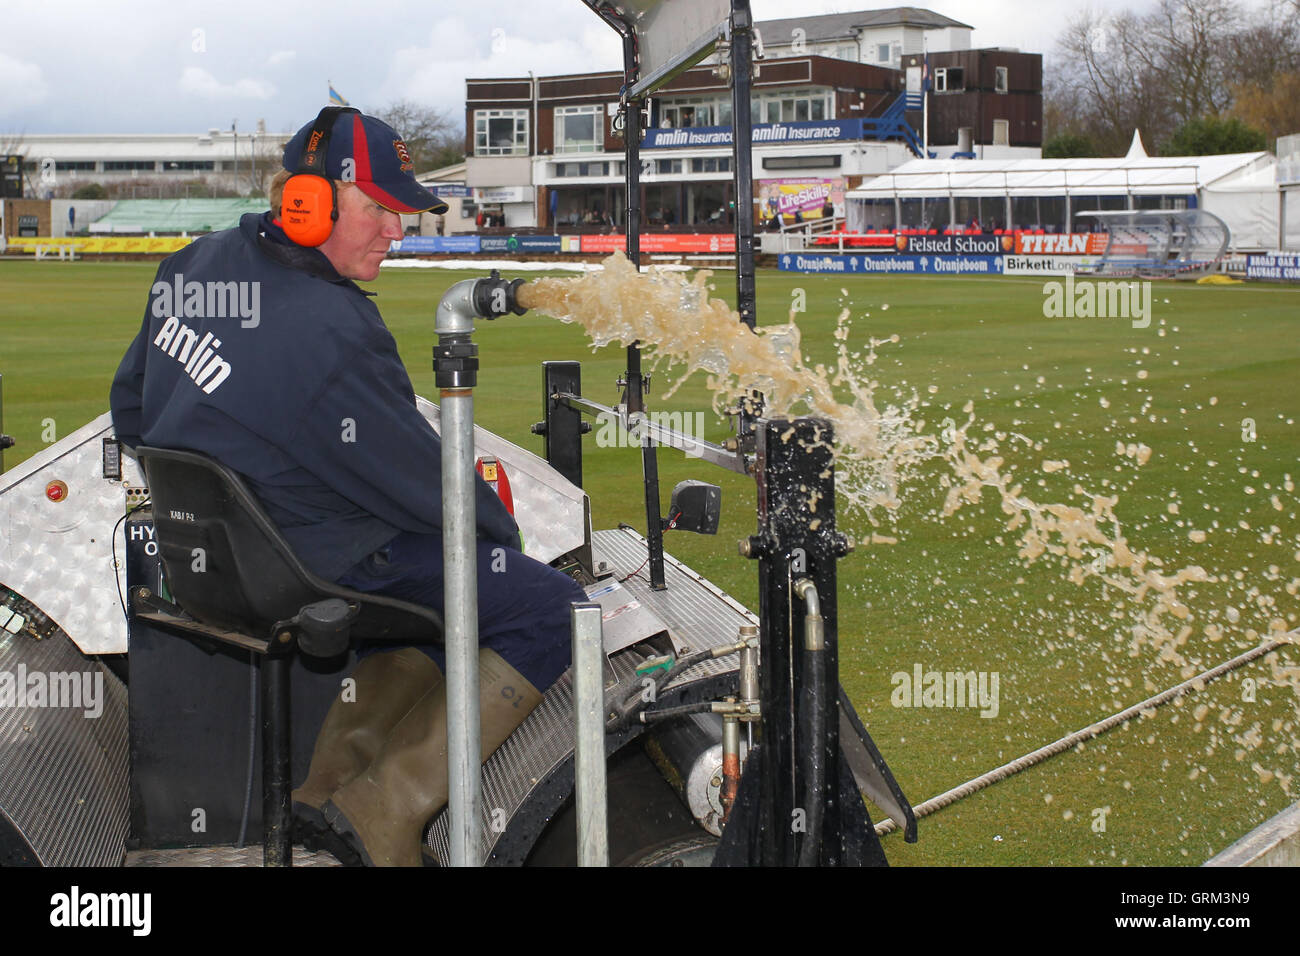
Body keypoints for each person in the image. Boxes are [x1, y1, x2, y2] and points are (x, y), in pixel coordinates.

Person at [108, 107, 586, 866]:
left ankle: (322, 799)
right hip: (309, 563)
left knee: (442, 584)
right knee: (544, 607)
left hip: (209, 565)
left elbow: (131, 408)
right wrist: (500, 541)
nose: (397, 233)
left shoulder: (193, 265)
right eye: (381, 210)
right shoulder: (333, 329)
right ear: (310, 202)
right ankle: (380, 813)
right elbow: (424, 487)